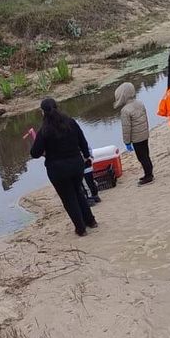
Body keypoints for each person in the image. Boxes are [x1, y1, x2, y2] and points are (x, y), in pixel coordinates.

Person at [29, 97, 98, 236]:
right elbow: (82, 141)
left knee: (68, 198)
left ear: (43, 112)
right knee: (78, 192)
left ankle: (81, 228)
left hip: (57, 170)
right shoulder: (71, 122)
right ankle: (91, 221)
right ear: (57, 107)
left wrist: (40, 148)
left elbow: (35, 153)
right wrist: (86, 156)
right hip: (76, 165)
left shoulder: (44, 130)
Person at [114, 81, 153, 184]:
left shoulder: (125, 110)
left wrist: (127, 142)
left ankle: (149, 176)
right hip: (144, 135)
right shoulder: (140, 103)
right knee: (146, 155)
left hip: (136, 138)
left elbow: (126, 128)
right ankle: (149, 173)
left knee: (141, 157)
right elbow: (145, 118)